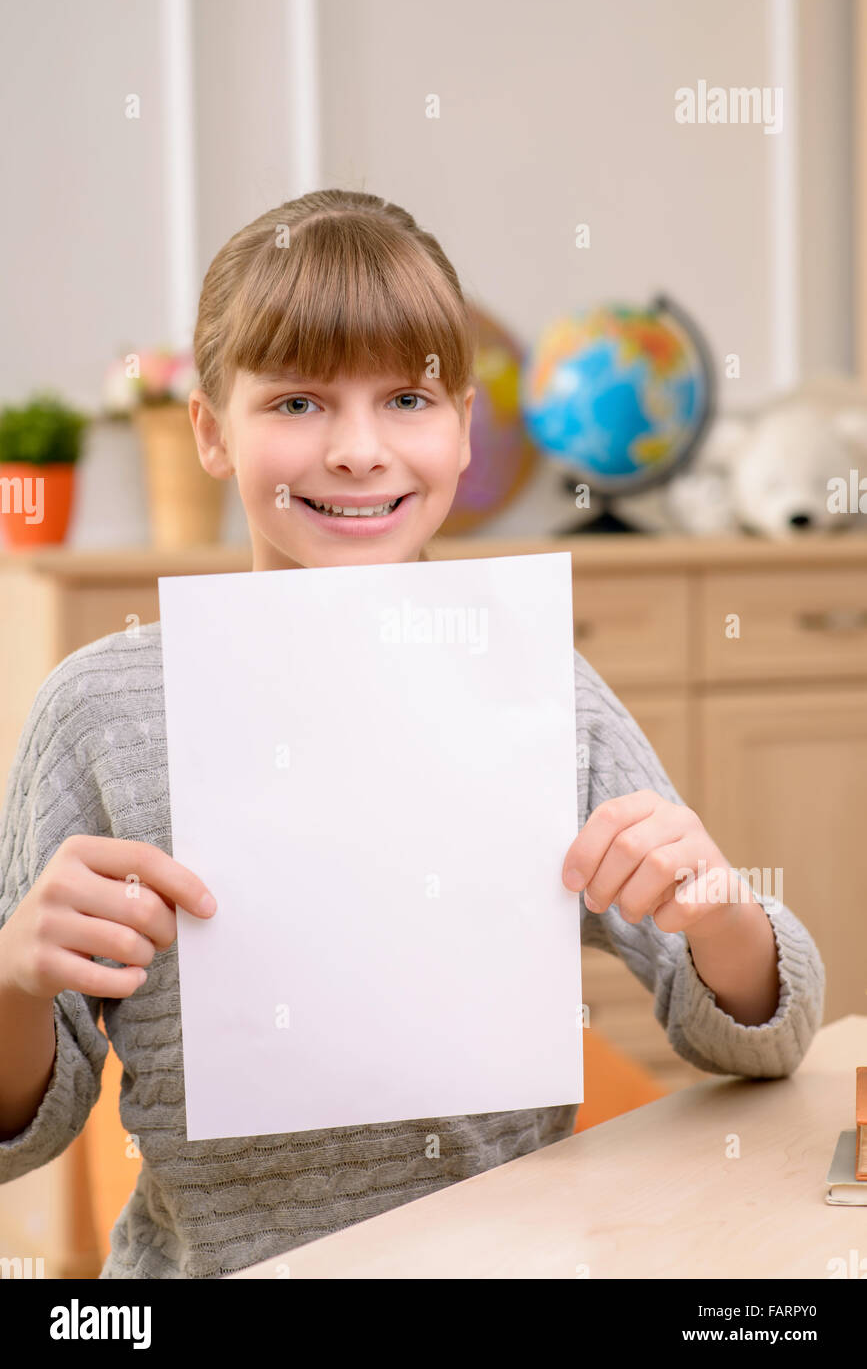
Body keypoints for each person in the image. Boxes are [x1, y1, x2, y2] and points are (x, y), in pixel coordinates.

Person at [0, 189, 825, 1279]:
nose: (356, 451)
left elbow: (761, 1033)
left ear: (463, 428)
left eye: (405, 398)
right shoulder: (96, 710)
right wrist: (14, 978)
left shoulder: (540, 685)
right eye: (296, 402)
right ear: (210, 429)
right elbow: (26, 1128)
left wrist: (718, 908)